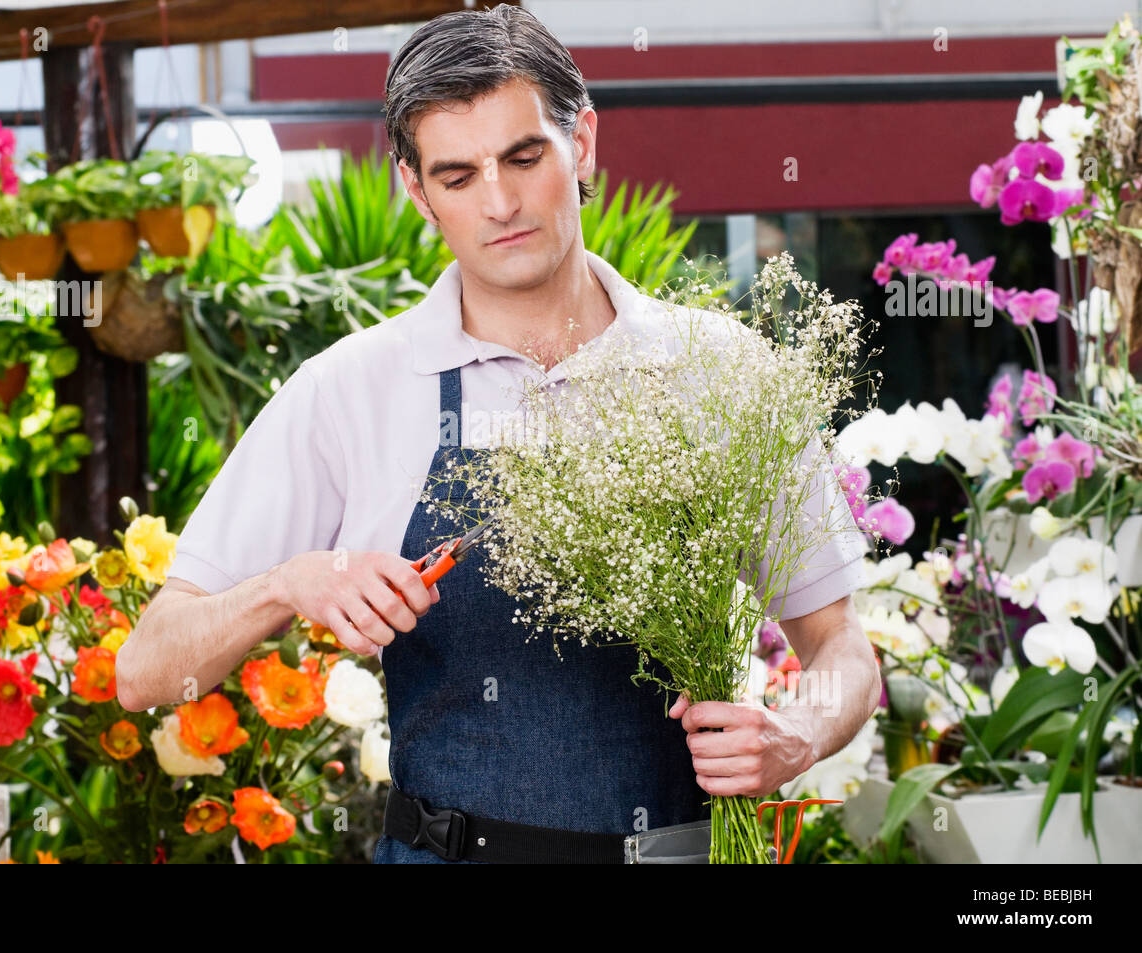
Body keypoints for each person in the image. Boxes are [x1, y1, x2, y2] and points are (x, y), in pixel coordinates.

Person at [116, 4, 882, 864]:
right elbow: (146, 669)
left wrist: (799, 733)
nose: (501, 202)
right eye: (457, 175)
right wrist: (288, 584)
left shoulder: (718, 370)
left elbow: (842, 648)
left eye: (525, 156)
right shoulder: (353, 388)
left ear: (581, 143)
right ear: (416, 189)